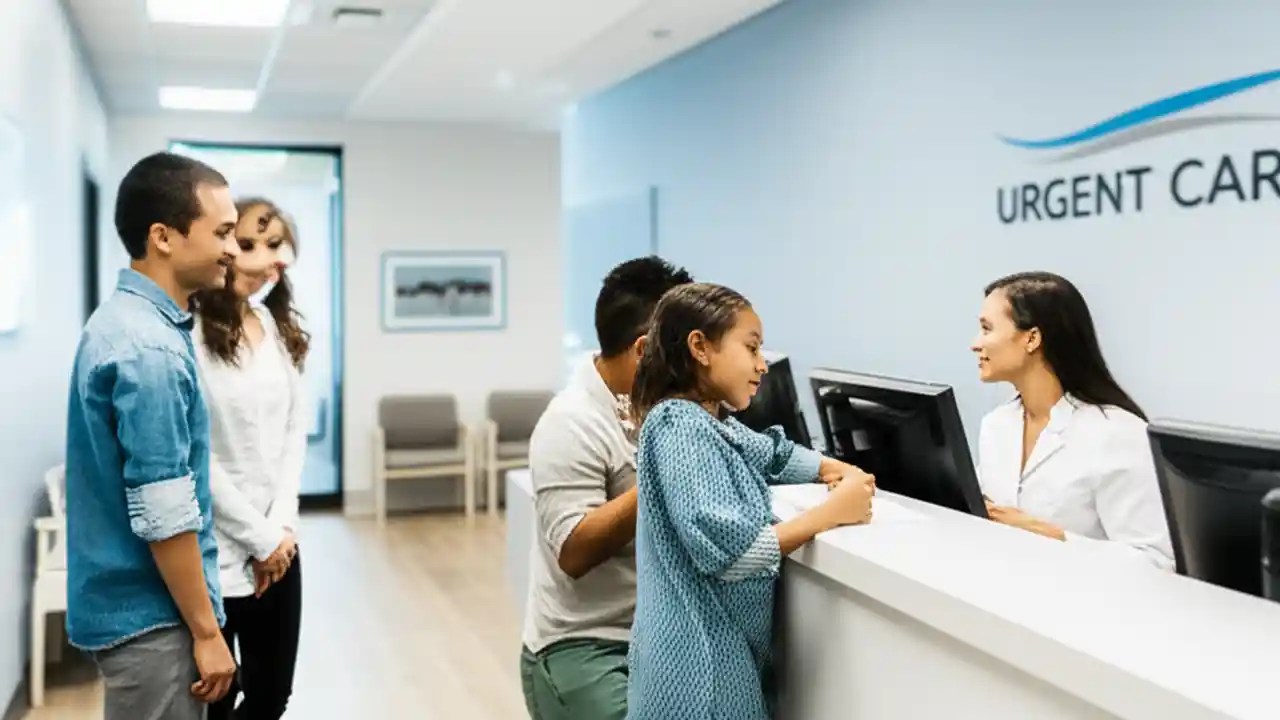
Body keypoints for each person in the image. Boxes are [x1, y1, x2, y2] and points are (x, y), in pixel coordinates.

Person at [625, 282, 875, 720]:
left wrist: (828, 468)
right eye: (752, 348)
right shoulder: (680, 428)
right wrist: (832, 514)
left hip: (696, 667)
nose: (762, 366)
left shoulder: (706, 422)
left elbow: (773, 453)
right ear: (700, 347)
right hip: (700, 679)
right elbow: (733, 555)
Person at [65, 152, 238, 719]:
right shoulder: (150, 351)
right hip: (155, 621)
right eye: (223, 232)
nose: (232, 250)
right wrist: (207, 632)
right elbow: (165, 515)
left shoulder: (127, 323)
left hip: (139, 616)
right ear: (163, 237)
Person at [519, 256, 693, 720]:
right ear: (643, 351)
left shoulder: (662, 407)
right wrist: (660, 473)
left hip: (654, 635)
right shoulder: (570, 422)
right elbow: (573, 550)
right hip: (584, 644)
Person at [971, 271, 1173, 570]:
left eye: (987, 329)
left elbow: (1156, 562)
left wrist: (1051, 537)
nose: (975, 344)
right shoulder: (996, 426)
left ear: (1032, 338)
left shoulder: (1117, 433)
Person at [193, 198, 309, 720]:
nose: (266, 261)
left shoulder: (272, 327)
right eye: (247, 244)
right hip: (215, 551)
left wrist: (280, 530)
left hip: (279, 550)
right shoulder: (187, 335)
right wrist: (259, 540)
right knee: (219, 699)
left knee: (271, 697)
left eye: (275, 245)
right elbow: (197, 456)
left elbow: (293, 431)